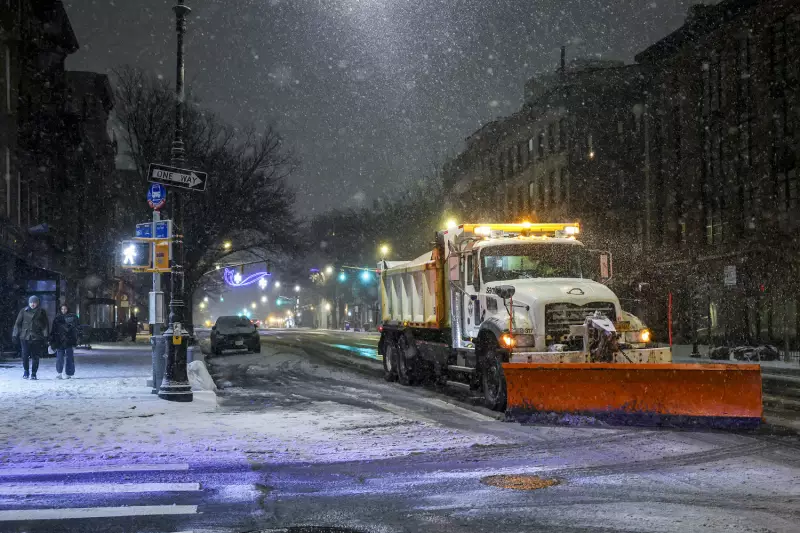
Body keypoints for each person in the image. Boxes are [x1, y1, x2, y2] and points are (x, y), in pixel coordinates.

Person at [12, 295, 49, 380]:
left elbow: (45, 325)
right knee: (25, 355)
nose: (33, 304)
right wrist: (14, 334)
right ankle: (26, 371)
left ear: (37, 303)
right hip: (25, 336)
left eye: (34, 302)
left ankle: (34, 373)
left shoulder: (41, 312)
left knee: (35, 356)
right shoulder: (24, 311)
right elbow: (17, 323)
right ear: (29, 303)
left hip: (37, 336)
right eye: (31, 302)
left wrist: (46, 335)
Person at [50, 304, 79, 379]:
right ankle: (59, 372)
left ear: (67, 309)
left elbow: (76, 330)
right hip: (59, 341)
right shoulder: (57, 318)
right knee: (59, 358)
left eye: (65, 309)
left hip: (69, 340)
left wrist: (75, 340)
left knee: (69, 357)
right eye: (62, 309)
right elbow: (54, 330)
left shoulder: (73, 317)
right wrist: (52, 341)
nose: (64, 310)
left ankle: (68, 373)